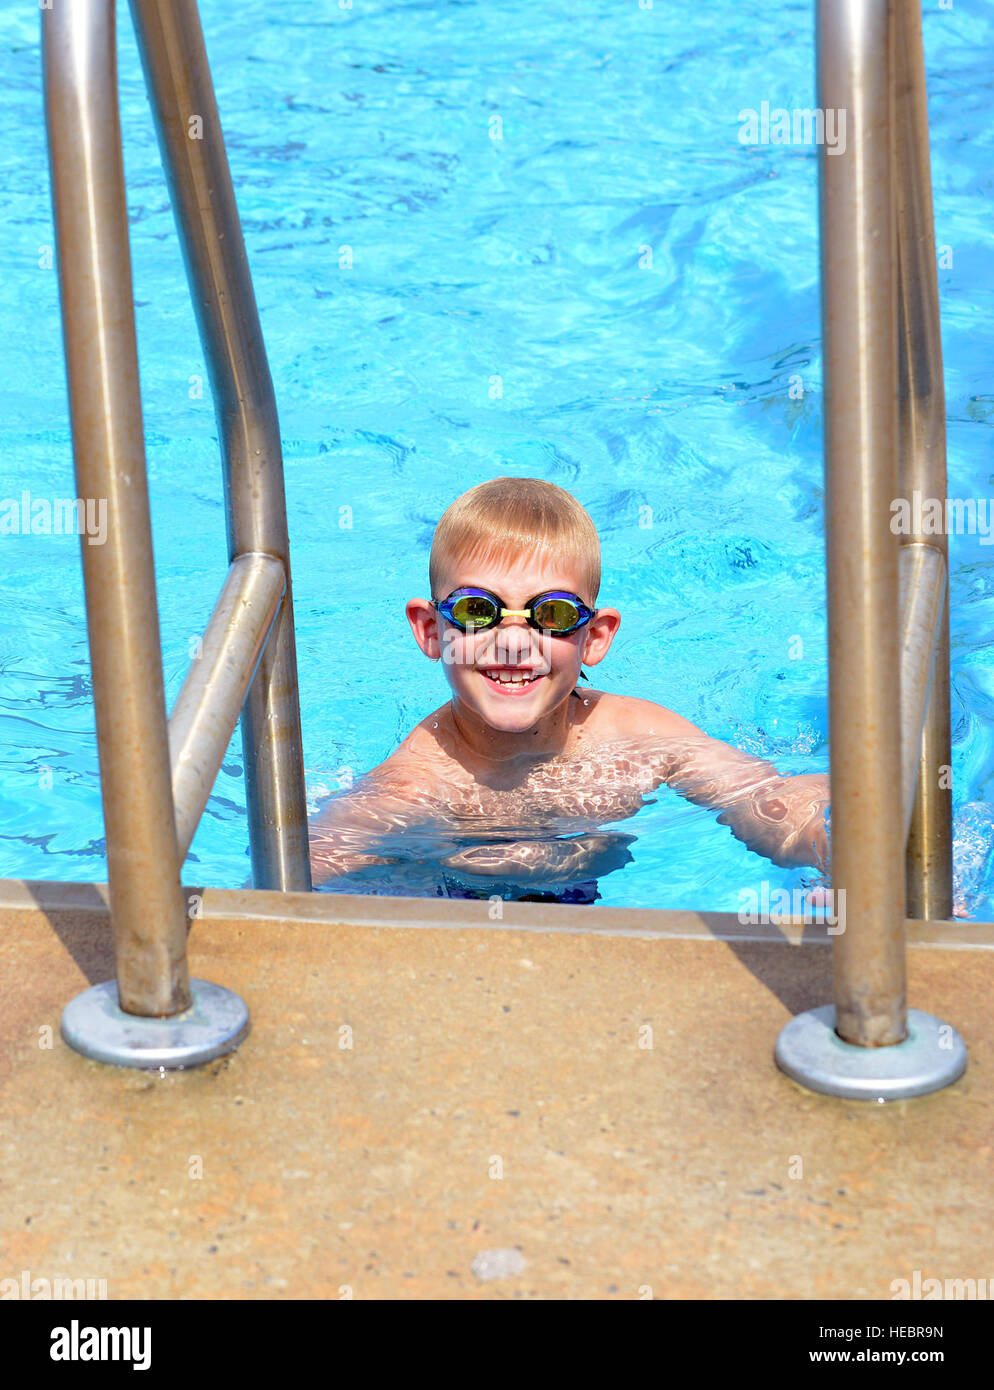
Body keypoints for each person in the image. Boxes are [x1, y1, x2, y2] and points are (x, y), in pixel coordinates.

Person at [308, 477, 830, 900]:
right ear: (429, 630)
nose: (513, 642)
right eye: (476, 610)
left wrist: (838, 860)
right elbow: (291, 881)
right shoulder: (415, 787)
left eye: (550, 614)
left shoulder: (639, 737)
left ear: (594, 638)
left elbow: (768, 803)